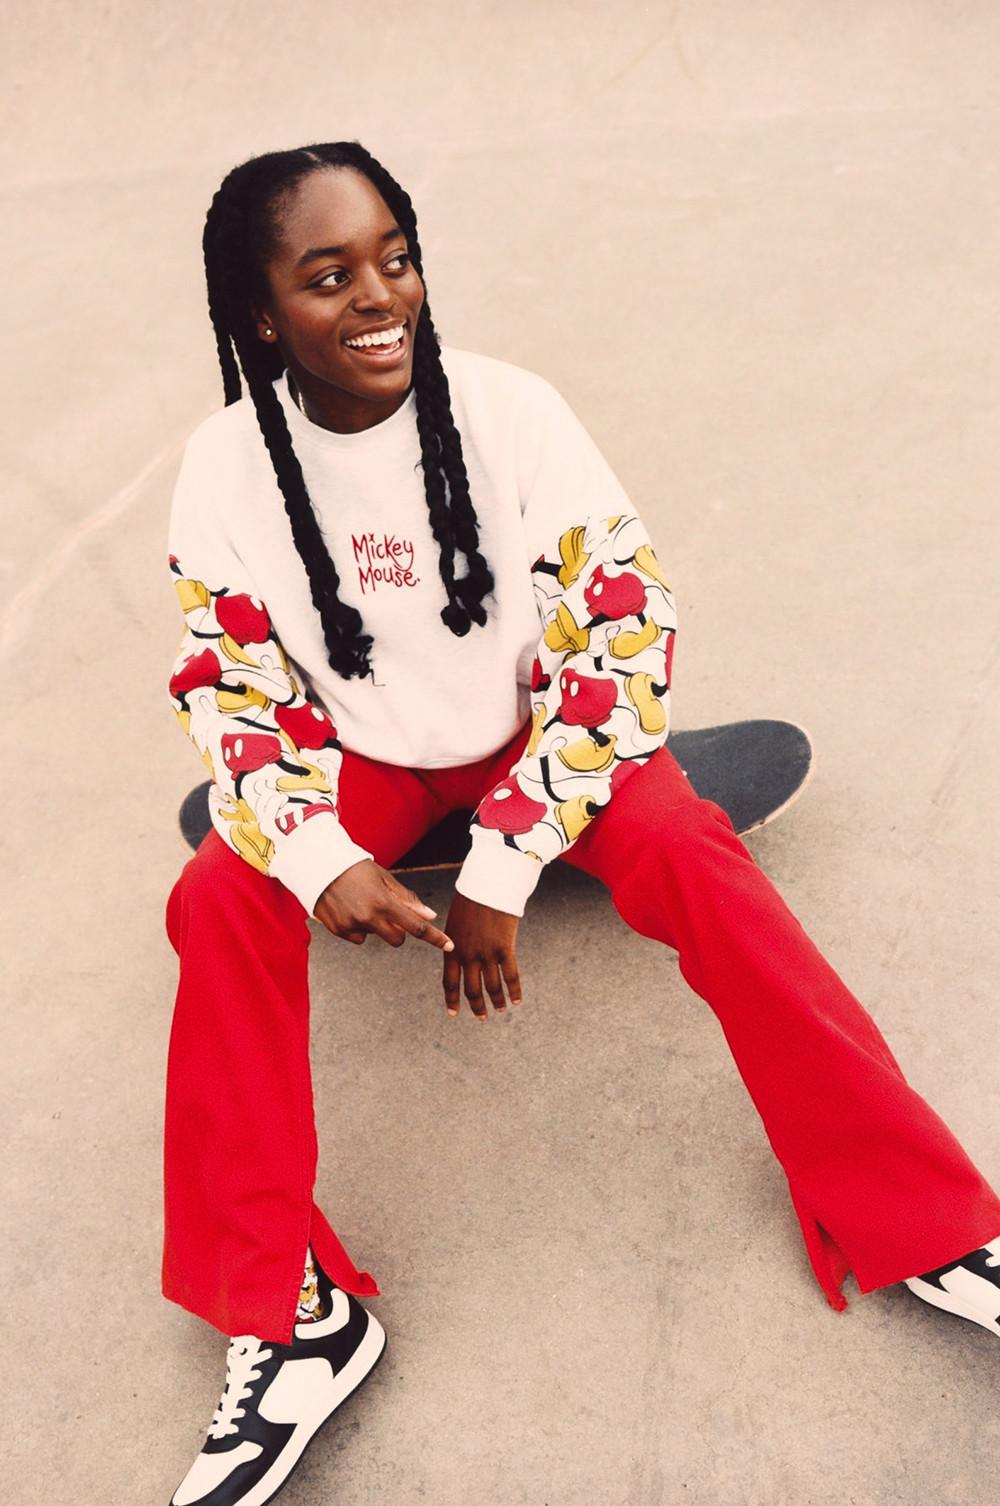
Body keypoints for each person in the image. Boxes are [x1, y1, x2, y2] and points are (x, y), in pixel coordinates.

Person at [161, 141, 1000, 1506]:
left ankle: (927, 1222)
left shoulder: (509, 412)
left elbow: (622, 631)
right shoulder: (224, 468)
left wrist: (503, 864)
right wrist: (313, 855)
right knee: (216, 898)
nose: (380, 297)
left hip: (533, 731)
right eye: (330, 278)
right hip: (360, 753)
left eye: (396, 257)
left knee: (693, 858)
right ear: (263, 317)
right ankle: (296, 1314)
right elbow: (227, 683)